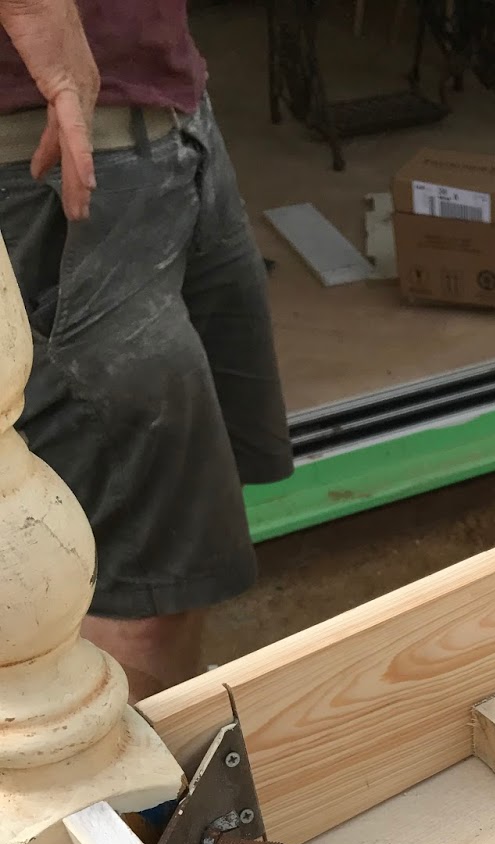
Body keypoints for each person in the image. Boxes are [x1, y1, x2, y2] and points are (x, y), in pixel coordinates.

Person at [0, 0, 292, 700]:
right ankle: (117, 806)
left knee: (182, 522)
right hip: (58, 152)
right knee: (134, 584)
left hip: (170, 121)